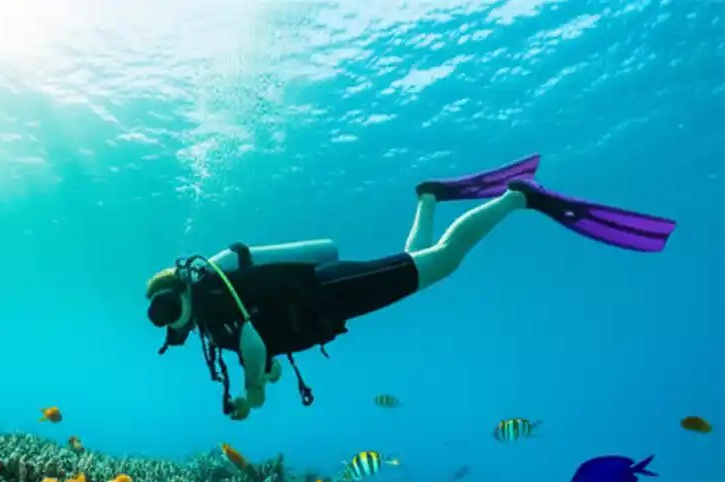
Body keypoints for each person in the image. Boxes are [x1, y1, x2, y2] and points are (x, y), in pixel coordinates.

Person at [144, 155, 677, 420]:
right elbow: (266, 348)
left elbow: (257, 343)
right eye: (160, 314)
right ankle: (428, 198)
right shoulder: (215, 317)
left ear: (181, 291)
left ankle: (518, 198)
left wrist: (254, 393)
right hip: (329, 293)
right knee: (414, 264)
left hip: (331, 293)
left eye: (165, 305)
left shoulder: (216, 305)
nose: (169, 317)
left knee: (441, 264)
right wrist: (261, 376)